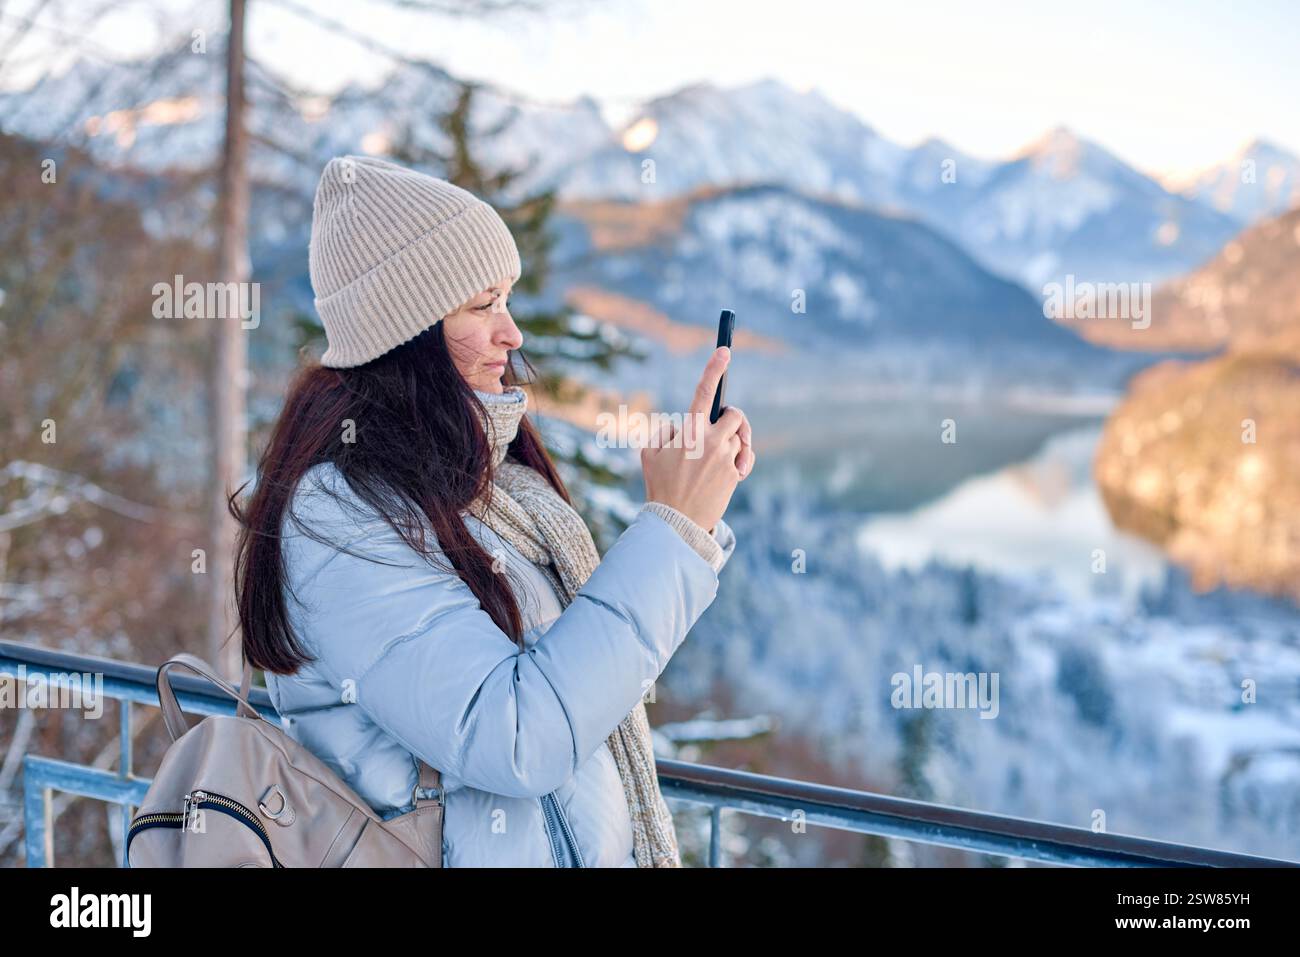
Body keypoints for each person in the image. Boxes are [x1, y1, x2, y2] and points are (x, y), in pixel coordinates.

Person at [231, 155, 755, 867]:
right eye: (482, 305)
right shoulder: (340, 515)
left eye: (507, 299)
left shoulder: (486, 481)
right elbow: (514, 736)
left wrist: (686, 520)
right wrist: (671, 533)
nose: (511, 334)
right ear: (402, 330)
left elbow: (580, 682)